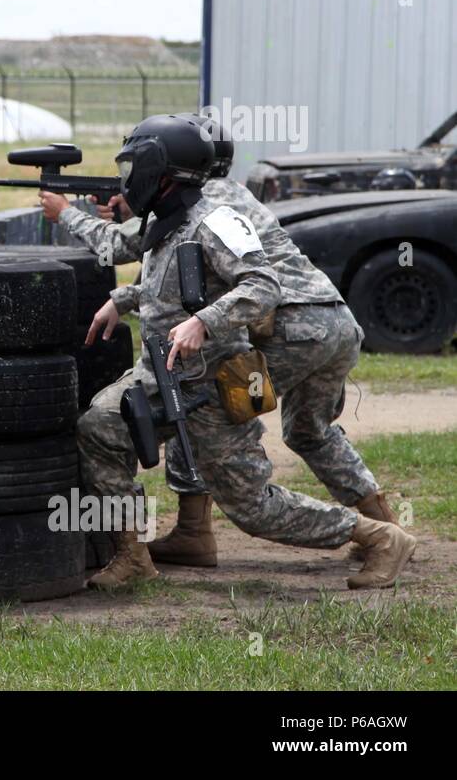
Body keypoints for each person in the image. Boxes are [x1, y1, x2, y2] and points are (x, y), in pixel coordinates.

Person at [68, 115, 415, 590]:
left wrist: (204, 322)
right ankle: (131, 555)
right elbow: (168, 283)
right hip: (164, 375)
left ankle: (379, 536)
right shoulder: (167, 222)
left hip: (212, 380)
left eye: (133, 167)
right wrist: (124, 300)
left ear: (160, 172)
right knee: (100, 426)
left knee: (253, 508)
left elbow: (263, 285)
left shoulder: (216, 219)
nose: (127, 179)